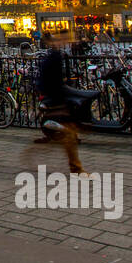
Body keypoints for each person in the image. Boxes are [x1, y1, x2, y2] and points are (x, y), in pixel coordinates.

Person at [35, 46, 86, 175]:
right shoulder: (54, 56)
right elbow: (51, 81)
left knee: (70, 133)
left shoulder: (54, 55)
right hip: (56, 100)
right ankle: (76, 169)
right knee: (69, 135)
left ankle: (75, 167)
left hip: (57, 98)